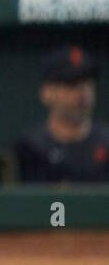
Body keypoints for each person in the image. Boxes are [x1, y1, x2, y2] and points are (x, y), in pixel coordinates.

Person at [12, 46, 109, 183]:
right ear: (47, 93)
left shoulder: (106, 142)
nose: (83, 93)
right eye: (71, 84)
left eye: (88, 84)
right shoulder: (29, 149)